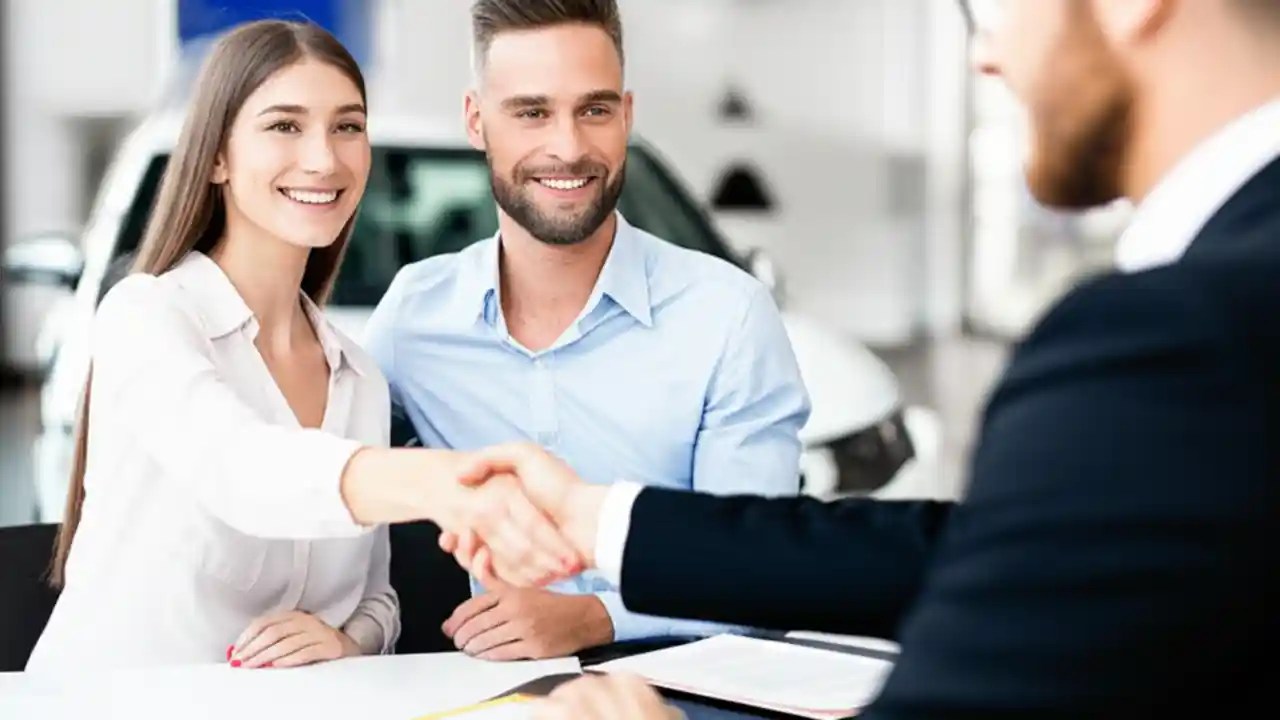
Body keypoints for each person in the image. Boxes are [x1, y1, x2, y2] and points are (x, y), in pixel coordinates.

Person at [449, 0, 1280, 715]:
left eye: (997, 7)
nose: (986, 57)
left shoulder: (1177, 340)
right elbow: (993, 551)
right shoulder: (1221, 313)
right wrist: (598, 522)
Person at [27, 19, 578, 672]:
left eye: (347, 126)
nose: (324, 158)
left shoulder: (358, 375)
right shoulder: (145, 316)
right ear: (217, 157)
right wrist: (444, 485)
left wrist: (346, 639)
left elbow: (376, 600)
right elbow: (240, 466)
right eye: (285, 125)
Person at [362, 0, 810, 661]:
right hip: (479, 689)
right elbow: (336, 497)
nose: (568, 148)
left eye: (593, 110)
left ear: (626, 115)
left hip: (678, 686)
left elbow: (757, 573)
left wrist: (596, 618)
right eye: (532, 112)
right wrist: (348, 631)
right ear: (476, 121)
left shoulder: (728, 317)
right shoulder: (414, 317)